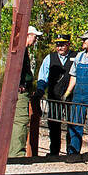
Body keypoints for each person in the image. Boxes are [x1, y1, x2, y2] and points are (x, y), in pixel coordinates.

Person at [34, 35, 74, 156]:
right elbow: (43, 76)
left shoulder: (76, 57)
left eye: (62, 45)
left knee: (72, 124)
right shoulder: (49, 58)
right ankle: (54, 151)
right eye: (57, 45)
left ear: (68, 44)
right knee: (53, 123)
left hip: (71, 97)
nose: (59, 47)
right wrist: (40, 90)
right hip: (54, 95)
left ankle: (71, 151)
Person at [8, 25, 42, 158]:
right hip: (20, 91)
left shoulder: (21, 50)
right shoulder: (21, 51)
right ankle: (16, 153)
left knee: (15, 120)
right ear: (27, 35)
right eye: (34, 36)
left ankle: (12, 151)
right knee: (21, 120)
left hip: (19, 89)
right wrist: (20, 83)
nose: (35, 39)